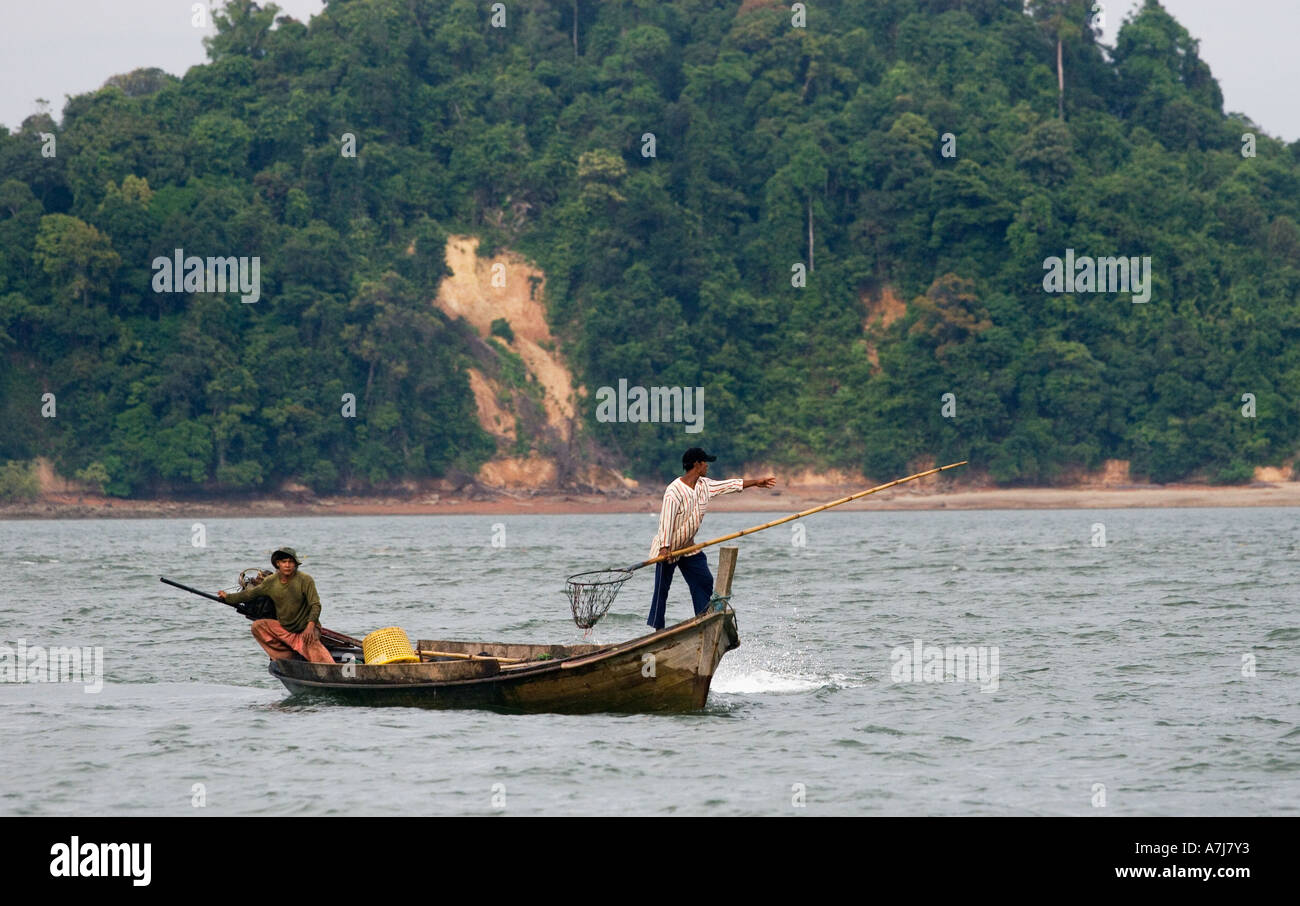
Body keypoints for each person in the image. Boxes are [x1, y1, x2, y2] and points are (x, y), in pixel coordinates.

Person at [647, 448, 775, 631]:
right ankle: (657, 630)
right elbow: (666, 521)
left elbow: (728, 485)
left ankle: (704, 620)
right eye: (705, 462)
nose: (707, 465)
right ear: (696, 464)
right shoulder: (673, 491)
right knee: (661, 591)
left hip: (688, 547)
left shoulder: (704, 485)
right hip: (667, 548)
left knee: (704, 580)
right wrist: (665, 548)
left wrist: (756, 482)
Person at [219, 547, 335, 664]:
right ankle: (286, 657)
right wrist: (228, 597)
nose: (287, 565)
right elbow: (249, 594)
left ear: (295, 564)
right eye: (284, 562)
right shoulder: (271, 582)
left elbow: (315, 605)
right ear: (278, 564)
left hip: (306, 628)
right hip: (285, 628)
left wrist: (310, 626)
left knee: (324, 663)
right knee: (258, 626)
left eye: (290, 562)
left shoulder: (305, 580)